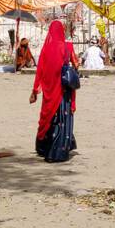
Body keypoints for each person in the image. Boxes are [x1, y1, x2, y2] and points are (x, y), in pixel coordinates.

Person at [30, 19, 79, 162]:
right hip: (63, 91)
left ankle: (43, 148)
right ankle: (57, 151)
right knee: (62, 119)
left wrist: (35, 90)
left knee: (49, 118)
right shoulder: (67, 47)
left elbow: (40, 71)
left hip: (49, 89)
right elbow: (75, 65)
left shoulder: (46, 49)